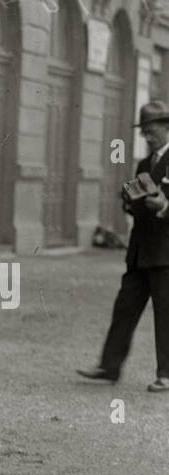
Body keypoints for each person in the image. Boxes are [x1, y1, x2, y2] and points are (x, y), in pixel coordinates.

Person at [78, 101, 169, 392]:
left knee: (165, 314)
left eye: (151, 131)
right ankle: (109, 366)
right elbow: (137, 203)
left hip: (166, 254)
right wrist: (130, 201)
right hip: (140, 251)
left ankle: (166, 374)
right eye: (143, 132)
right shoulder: (145, 164)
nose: (147, 137)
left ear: (167, 128)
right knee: (124, 308)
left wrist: (165, 206)